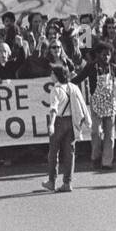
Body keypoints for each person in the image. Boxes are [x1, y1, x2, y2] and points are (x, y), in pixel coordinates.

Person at [42, 64, 90, 192]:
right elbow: (82, 104)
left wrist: (51, 124)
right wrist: (87, 121)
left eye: (52, 73)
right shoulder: (73, 87)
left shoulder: (55, 90)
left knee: (53, 152)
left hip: (59, 121)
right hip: (72, 122)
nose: (50, 75)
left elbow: (53, 109)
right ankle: (67, 182)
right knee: (69, 153)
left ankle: (51, 181)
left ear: (56, 75)